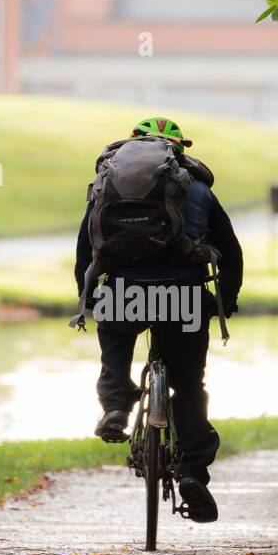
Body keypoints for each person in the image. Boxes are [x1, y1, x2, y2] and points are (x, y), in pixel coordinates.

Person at [74, 117, 243, 524]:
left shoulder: (105, 186)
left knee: (115, 350)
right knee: (187, 386)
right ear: (178, 150)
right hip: (183, 296)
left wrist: (89, 301)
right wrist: (227, 299)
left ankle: (115, 406)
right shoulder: (199, 189)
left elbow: (86, 251)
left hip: (122, 293)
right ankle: (191, 472)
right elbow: (231, 252)